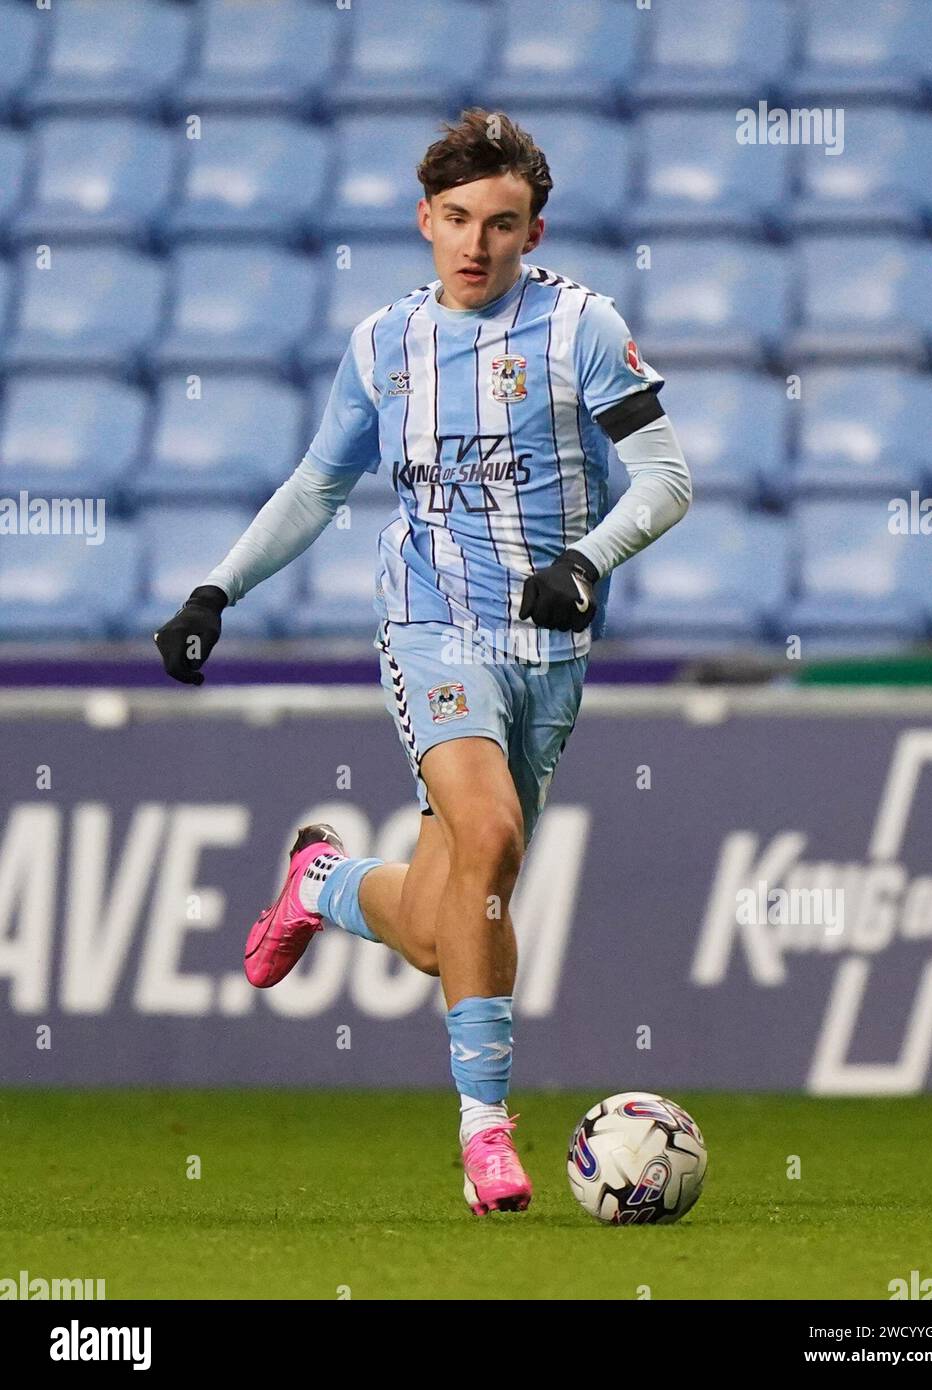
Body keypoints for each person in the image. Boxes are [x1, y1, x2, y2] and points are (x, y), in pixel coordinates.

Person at [155, 108, 691, 1216]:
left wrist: (587, 560)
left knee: (445, 917)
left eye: (501, 224)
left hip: (545, 647)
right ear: (423, 219)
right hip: (429, 630)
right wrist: (217, 590)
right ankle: (485, 1135)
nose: (475, 245)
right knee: (487, 837)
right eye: (455, 220)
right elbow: (316, 486)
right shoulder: (382, 346)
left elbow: (665, 479)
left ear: (533, 231)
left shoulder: (581, 330)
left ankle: (322, 882)